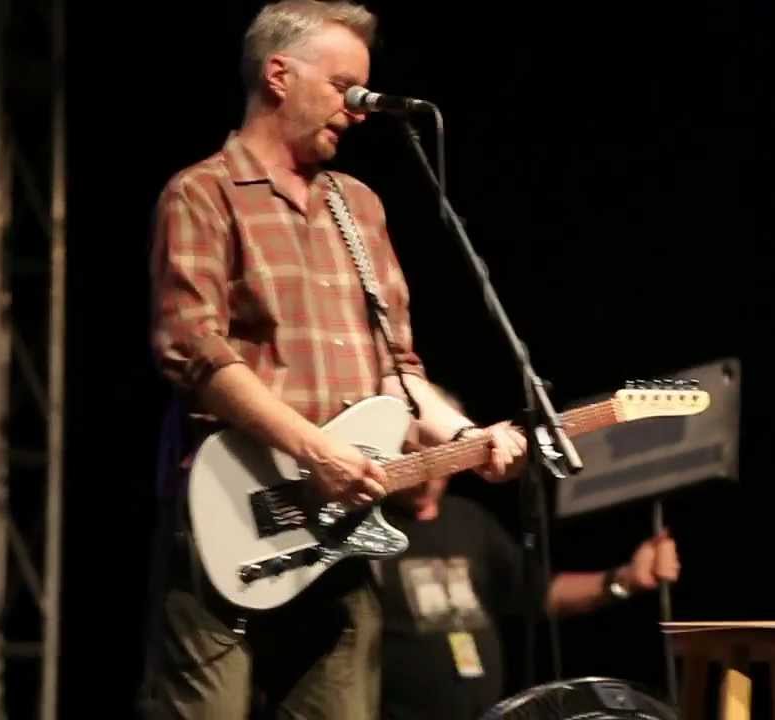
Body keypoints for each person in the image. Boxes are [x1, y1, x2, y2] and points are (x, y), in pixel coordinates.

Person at [141, 2, 527, 718]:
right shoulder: (202, 192)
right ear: (279, 75)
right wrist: (314, 449)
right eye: (344, 87)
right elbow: (192, 346)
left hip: (343, 535)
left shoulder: (360, 207)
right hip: (234, 511)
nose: (358, 109)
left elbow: (399, 370)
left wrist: (467, 437)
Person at [375, 387, 682, 720]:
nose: (427, 473)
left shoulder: (471, 521)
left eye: (435, 453)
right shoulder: (365, 531)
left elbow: (539, 592)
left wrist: (624, 579)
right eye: (413, 453)